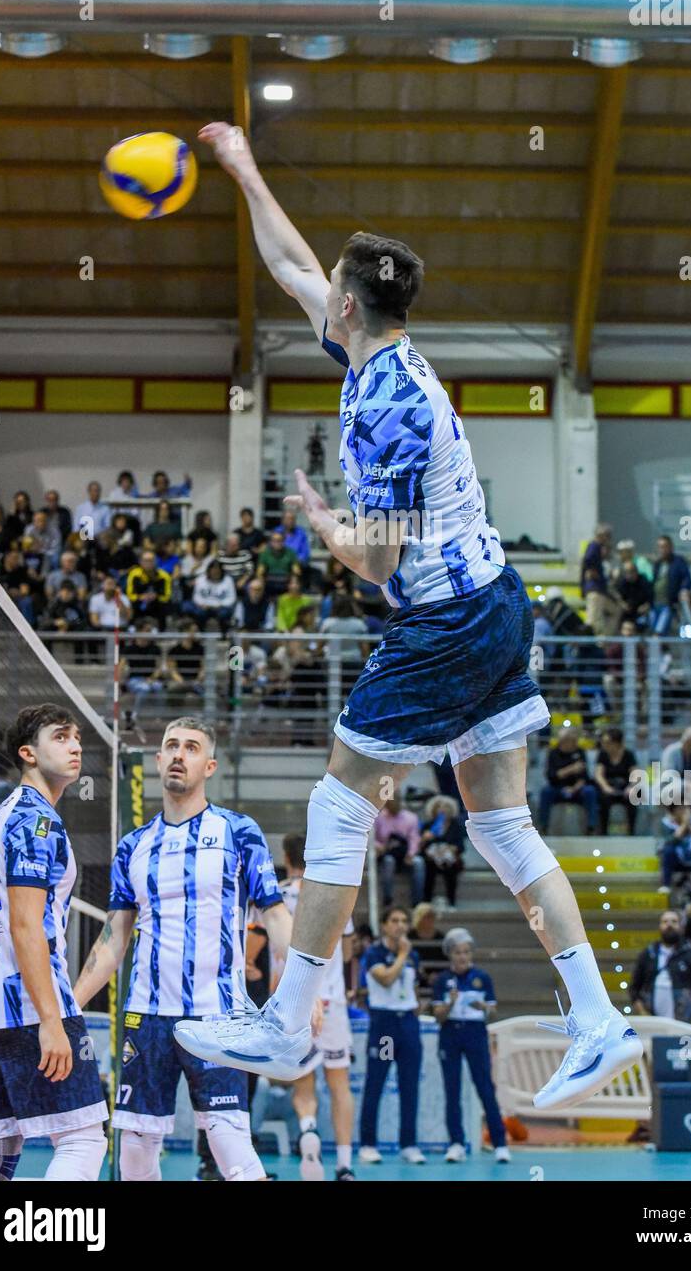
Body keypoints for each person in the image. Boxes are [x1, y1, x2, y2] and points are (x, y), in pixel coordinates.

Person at [173, 120, 642, 1115]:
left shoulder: (385, 404)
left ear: (348, 306)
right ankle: (600, 1017)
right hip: (499, 606)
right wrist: (244, 169)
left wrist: (319, 524)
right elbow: (294, 260)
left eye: (326, 288)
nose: (315, 290)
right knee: (505, 824)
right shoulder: (379, 352)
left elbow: (376, 556)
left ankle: (285, 1022)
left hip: (445, 627)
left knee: (342, 801)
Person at [74, 717, 290, 1182]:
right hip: (146, 1014)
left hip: (219, 1015)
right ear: (158, 760)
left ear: (209, 765)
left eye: (191, 748)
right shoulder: (133, 846)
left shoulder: (239, 832)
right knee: (133, 1148)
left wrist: (298, 992)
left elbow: (274, 915)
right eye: (171, 745)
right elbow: (114, 937)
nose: (178, 754)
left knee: (230, 1141)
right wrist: (69, 1005)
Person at [0, 704, 108, 1180]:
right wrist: (50, 1020)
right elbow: (26, 926)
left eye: (77, 737)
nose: (76, 745)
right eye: (61, 737)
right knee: (84, 1138)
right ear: (28, 752)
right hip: (27, 1002)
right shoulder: (37, 821)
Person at [276, 833, 356, 1183]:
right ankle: (344, 1164)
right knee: (339, 1084)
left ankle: (308, 1130)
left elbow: (270, 949)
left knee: (303, 1083)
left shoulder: (278, 896)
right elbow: (350, 951)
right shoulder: (336, 892)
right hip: (333, 999)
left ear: (286, 856)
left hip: (295, 1000)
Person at [432, 928, 509, 1164]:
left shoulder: (482, 978)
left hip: (475, 1034)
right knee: (452, 1090)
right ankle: (456, 1143)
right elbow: (438, 1016)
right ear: (450, 955)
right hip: (450, 1033)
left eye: (466, 952)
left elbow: (493, 1010)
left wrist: (482, 1007)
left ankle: (500, 1144)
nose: (463, 957)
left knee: (485, 1087)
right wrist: (450, 1003)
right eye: (457, 952)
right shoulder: (442, 981)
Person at [357, 906, 425, 1165]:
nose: (400, 925)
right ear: (384, 925)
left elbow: (411, 988)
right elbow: (385, 979)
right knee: (377, 1083)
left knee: (409, 1086)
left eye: (404, 920)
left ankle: (409, 1144)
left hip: (407, 1022)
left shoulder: (414, 956)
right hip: (384, 1025)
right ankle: (368, 1144)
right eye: (394, 920)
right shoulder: (374, 952)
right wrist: (402, 955)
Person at [628, 910, 691, 1028]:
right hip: (654, 1024)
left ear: (681, 927)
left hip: (686, 1023)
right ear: (659, 926)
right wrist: (643, 1013)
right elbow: (634, 989)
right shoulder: (648, 954)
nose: (669, 925)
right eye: (665, 922)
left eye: (674, 922)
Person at [538, 726, 599, 835]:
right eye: (573, 741)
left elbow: (584, 777)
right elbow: (551, 776)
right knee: (546, 792)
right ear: (564, 741)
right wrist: (571, 769)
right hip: (557, 788)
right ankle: (544, 826)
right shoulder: (553, 753)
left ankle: (591, 827)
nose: (575, 743)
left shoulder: (580, 752)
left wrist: (574, 788)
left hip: (577, 789)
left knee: (590, 791)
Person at [374, 794, 424, 907]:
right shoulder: (378, 817)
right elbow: (372, 838)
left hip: (404, 855)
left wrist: (411, 854)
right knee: (389, 861)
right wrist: (379, 846)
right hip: (386, 854)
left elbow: (414, 838)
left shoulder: (411, 817)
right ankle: (388, 899)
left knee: (419, 862)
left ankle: (417, 902)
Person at [419, 793, 465, 908]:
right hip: (431, 858)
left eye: (445, 807)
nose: (442, 810)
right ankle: (426, 901)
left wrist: (451, 849)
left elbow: (460, 846)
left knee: (452, 868)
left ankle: (451, 902)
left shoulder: (456, 826)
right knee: (428, 867)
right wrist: (425, 839)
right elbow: (421, 846)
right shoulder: (428, 825)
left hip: (449, 857)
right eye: (439, 806)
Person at [593, 727, 639, 835]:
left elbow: (635, 773)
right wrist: (606, 787)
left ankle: (631, 832)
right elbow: (598, 774)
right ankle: (603, 832)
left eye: (608, 743)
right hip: (609, 788)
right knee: (603, 800)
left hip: (625, 788)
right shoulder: (602, 755)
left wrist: (631, 787)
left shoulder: (628, 754)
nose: (604, 745)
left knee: (633, 798)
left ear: (617, 743)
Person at [650, 534, 691, 636]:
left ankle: (662, 648)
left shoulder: (678, 562)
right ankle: (661, 649)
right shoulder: (657, 564)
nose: (662, 550)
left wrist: (684, 589)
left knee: (660, 630)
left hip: (668, 604)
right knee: (652, 628)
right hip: (655, 603)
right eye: (660, 547)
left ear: (671, 547)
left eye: (665, 546)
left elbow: (687, 578)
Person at [658, 803, 691, 889]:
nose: (685, 811)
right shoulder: (666, 823)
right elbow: (673, 840)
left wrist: (690, 825)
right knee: (668, 851)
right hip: (676, 860)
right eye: (681, 808)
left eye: (687, 808)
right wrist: (684, 824)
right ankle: (666, 885)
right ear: (674, 811)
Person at [581, 523, 618, 636]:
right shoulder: (595, 545)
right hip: (595, 589)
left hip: (600, 590)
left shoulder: (596, 547)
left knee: (615, 610)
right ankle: (593, 644)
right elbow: (588, 560)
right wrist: (592, 571)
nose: (609, 539)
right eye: (608, 536)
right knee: (593, 620)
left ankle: (604, 639)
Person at [125, 549, 173, 631]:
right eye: (146, 560)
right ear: (141, 562)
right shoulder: (134, 574)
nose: (148, 563)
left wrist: (155, 597)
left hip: (157, 604)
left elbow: (167, 596)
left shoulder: (164, 576)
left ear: (155, 562)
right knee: (131, 604)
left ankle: (160, 631)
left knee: (164, 606)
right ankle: (132, 627)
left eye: (151, 560)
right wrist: (141, 597)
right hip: (139, 603)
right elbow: (130, 594)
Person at [407, 901, 445, 996]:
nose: (430, 920)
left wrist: (437, 975)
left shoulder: (441, 937)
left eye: (432, 917)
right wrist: (422, 975)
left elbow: (446, 960)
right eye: (426, 917)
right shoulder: (409, 937)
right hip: (415, 975)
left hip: (436, 976)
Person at [192, 559, 237, 634]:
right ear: (209, 571)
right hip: (204, 607)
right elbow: (196, 596)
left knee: (225, 613)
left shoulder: (228, 580)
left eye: (217, 570)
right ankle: (201, 634)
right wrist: (202, 604)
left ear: (221, 571)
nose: (215, 572)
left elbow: (232, 598)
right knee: (198, 612)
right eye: (213, 570)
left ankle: (224, 636)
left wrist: (219, 605)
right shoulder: (201, 579)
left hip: (221, 607)